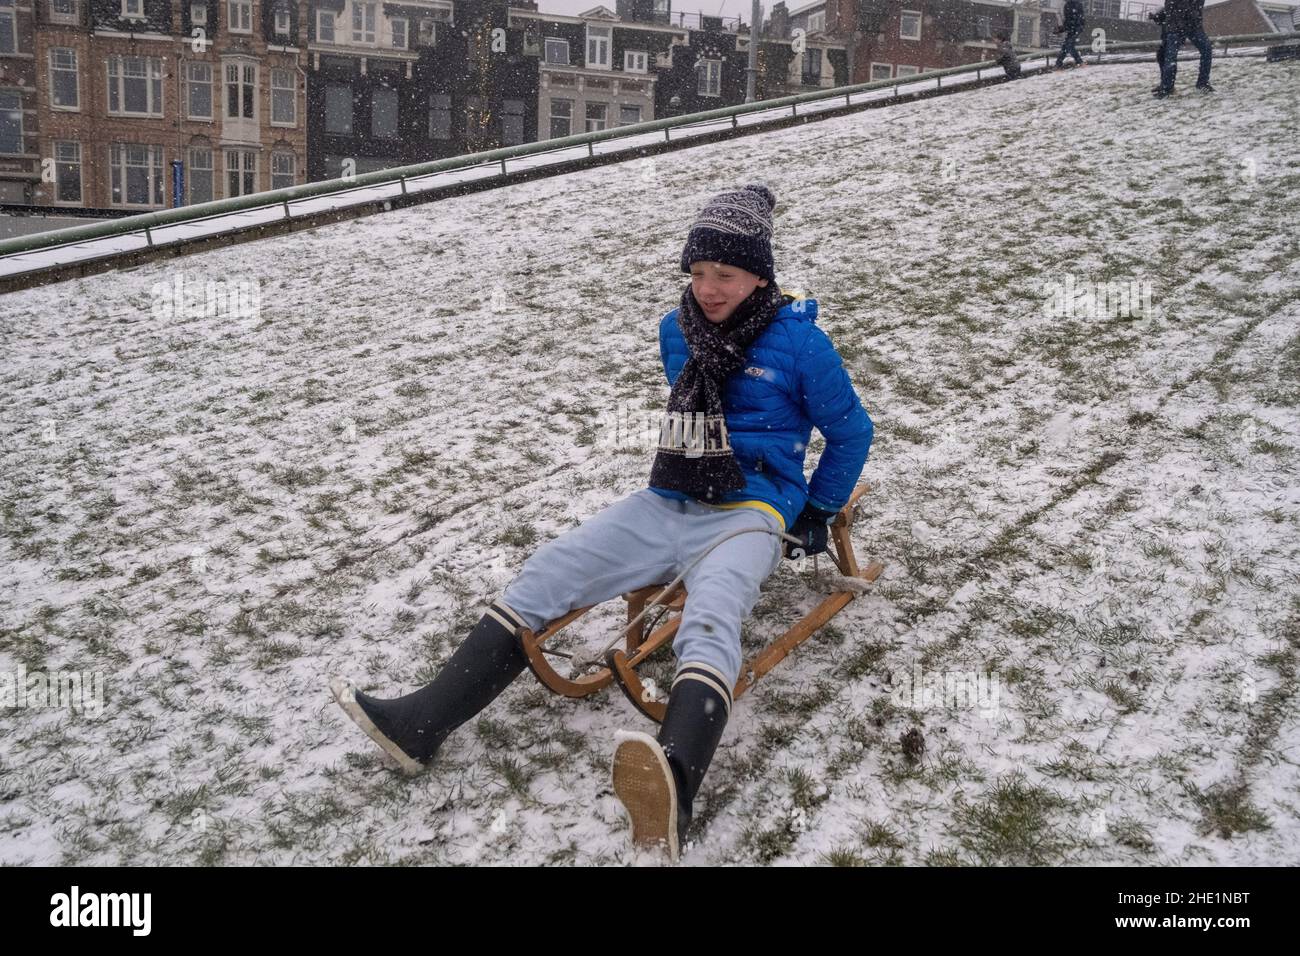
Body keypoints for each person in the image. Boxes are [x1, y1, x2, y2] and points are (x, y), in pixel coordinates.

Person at [330, 183, 874, 861]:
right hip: (671, 495)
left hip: (753, 507)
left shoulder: (801, 344)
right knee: (551, 569)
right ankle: (422, 722)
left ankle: (674, 777)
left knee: (712, 614)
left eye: (725, 275)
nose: (708, 288)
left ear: (759, 273)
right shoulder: (678, 330)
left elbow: (852, 432)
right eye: (698, 273)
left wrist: (818, 510)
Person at [1156, 0, 1213, 97]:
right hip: (1179, 26)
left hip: (1190, 25)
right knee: (1170, 57)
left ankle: (1202, 83)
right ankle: (1167, 87)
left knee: (1206, 50)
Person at [1054, 0, 1086, 68]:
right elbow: (1071, 20)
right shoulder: (1072, 4)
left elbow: (1070, 20)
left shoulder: (1070, 5)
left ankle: (1080, 62)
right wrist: (1062, 29)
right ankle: (1058, 64)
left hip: (1074, 29)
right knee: (1066, 46)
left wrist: (1063, 29)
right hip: (1074, 29)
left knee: (1068, 46)